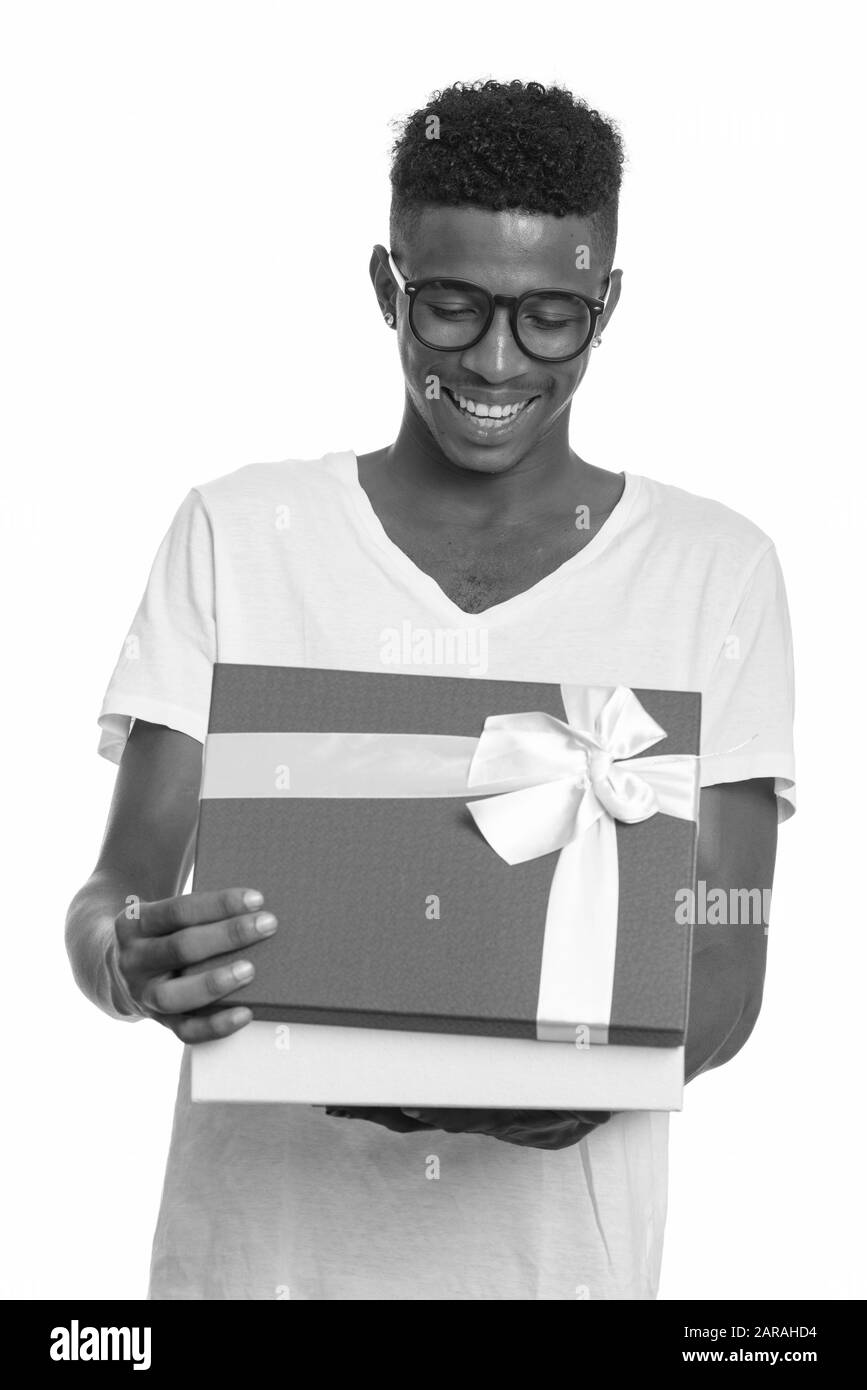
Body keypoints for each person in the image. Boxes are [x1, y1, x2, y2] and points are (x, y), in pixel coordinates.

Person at [66, 79, 795, 1300]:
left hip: (556, 1275)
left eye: (551, 316)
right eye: (450, 306)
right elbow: (111, 901)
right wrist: (129, 961)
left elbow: (724, 971)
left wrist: (561, 1086)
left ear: (607, 305)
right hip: (254, 1267)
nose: (498, 360)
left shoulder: (715, 573)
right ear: (384, 286)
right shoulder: (240, 535)